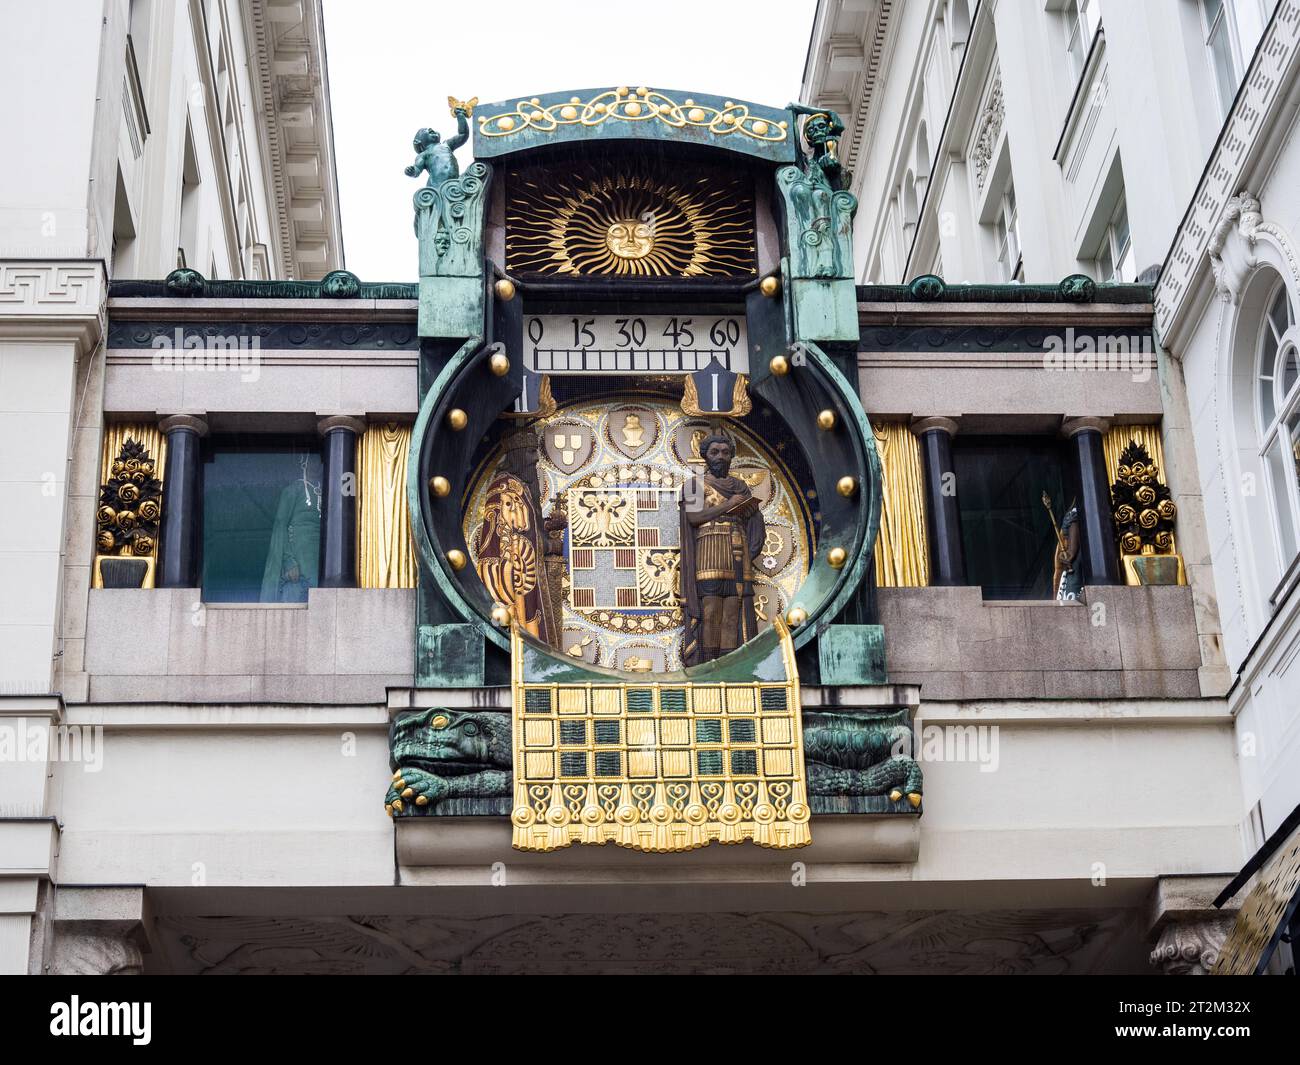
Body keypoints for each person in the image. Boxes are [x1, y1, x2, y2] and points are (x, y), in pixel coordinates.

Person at [678, 433, 766, 665]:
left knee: (732, 611)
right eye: (715, 452)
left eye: (725, 452)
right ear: (705, 455)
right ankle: (707, 664)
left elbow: (752, 517)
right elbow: (695, 517)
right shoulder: (695, 484)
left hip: (737, 547)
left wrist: (749, 511)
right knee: (711, 609)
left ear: (731, 457)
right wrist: (728, 505)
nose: (720, 457)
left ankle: (729, 663)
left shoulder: (739, 486)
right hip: (709, 549)